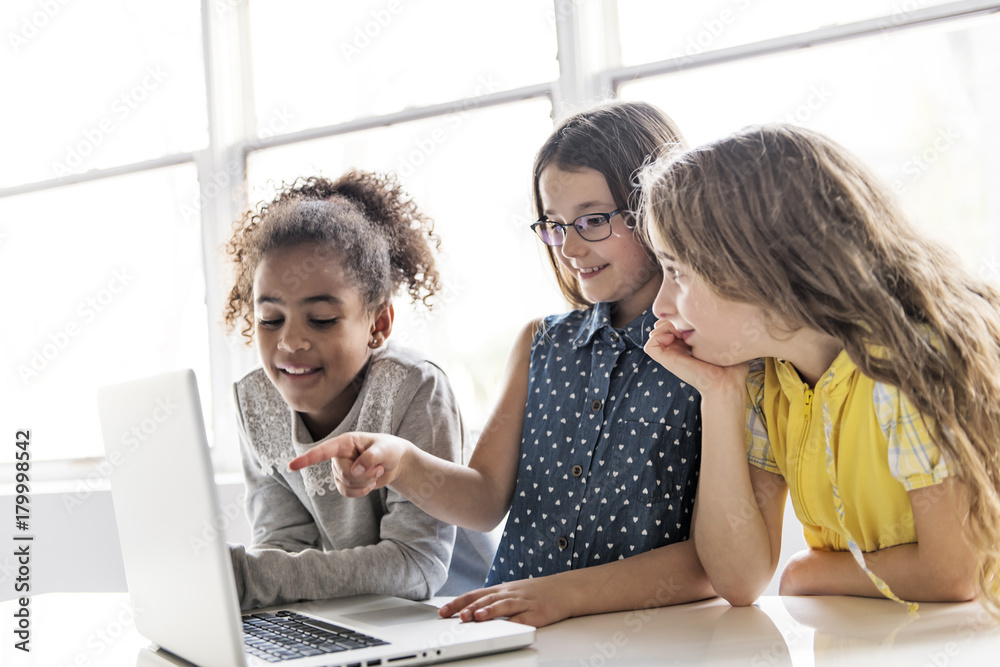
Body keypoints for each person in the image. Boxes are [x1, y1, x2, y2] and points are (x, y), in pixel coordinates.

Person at [290, 101, 716, 627]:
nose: (571, 247)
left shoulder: (711, 356)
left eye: (594, 220)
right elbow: (486, 498)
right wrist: (401, 463)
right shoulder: (541, 343)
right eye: (555, 225)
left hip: (643, 637)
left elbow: (713, 561)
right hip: (512, 632)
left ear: (654, 210)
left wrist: (562, 595)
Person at [638, 123, 1000, 614]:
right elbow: (739, 579)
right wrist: (719, 396)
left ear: (759, 269)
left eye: (677, 271)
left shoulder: (900, 364)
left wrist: (808, 572)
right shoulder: (769, 382)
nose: (661, 304)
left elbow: (953, 572)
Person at [221, 170, 487, 608]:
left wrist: (250, 579)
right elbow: (282, 546)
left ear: (377, 325)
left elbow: (417, 565)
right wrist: (249, 581)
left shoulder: (414, 389)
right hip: (364, 614)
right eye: (270, 319)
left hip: (455, 615)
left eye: (321, 319)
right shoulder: (254, 400)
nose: (289, 342)